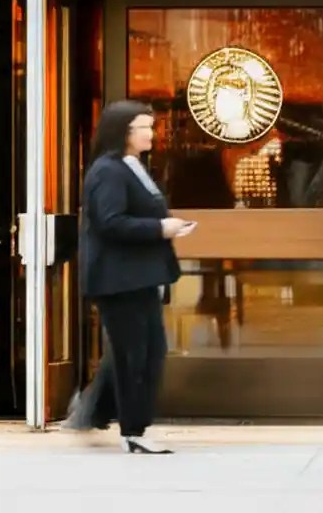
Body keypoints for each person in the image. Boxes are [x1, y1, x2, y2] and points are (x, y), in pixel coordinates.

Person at [79, 100, 192, 454]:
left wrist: (165, 226)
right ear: (123, 131)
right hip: (120, 280)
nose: (151, 134)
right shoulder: (108, 171)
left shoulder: (133, 166)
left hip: (138, 277)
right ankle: (133, 431)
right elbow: (110, 221)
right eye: (144, 127)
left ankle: (99, 413)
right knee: (137, 356)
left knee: (145, 353)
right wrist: (160, 228)